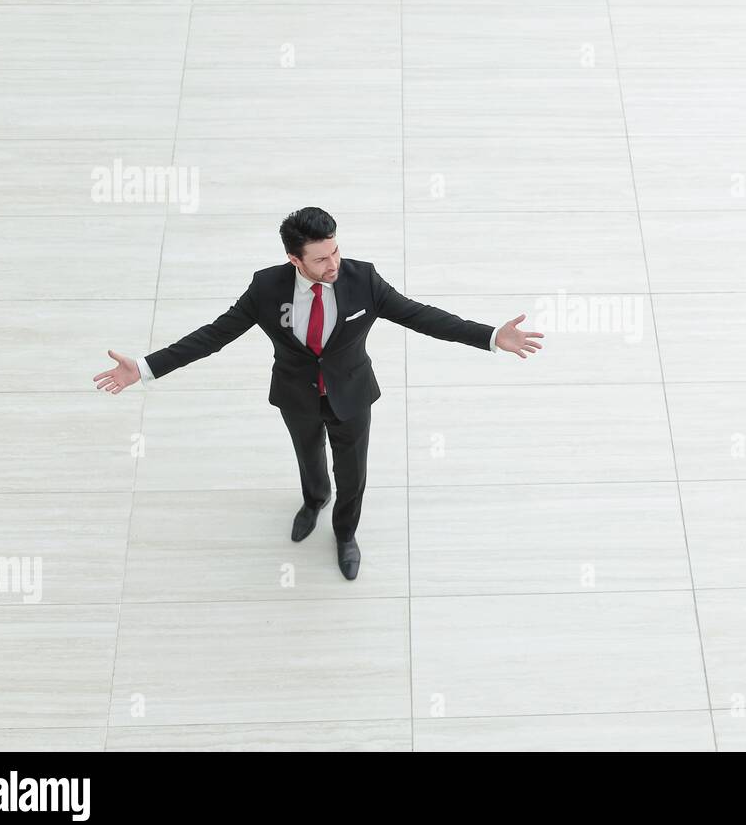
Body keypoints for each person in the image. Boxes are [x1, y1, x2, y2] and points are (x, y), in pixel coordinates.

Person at [93, 207, 544, 579]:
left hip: (351, 397)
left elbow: (421, 316)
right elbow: (214, 335)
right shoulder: (266, 288)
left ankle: (345, 533)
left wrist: (489, 337)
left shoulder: (362, 280)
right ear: (295, 260)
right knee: (309, 459)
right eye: (322, 259)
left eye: (336, 251)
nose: (334, 264)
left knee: (354, 473)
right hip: (297, 397)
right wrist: (147, 367)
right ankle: (313, 501)